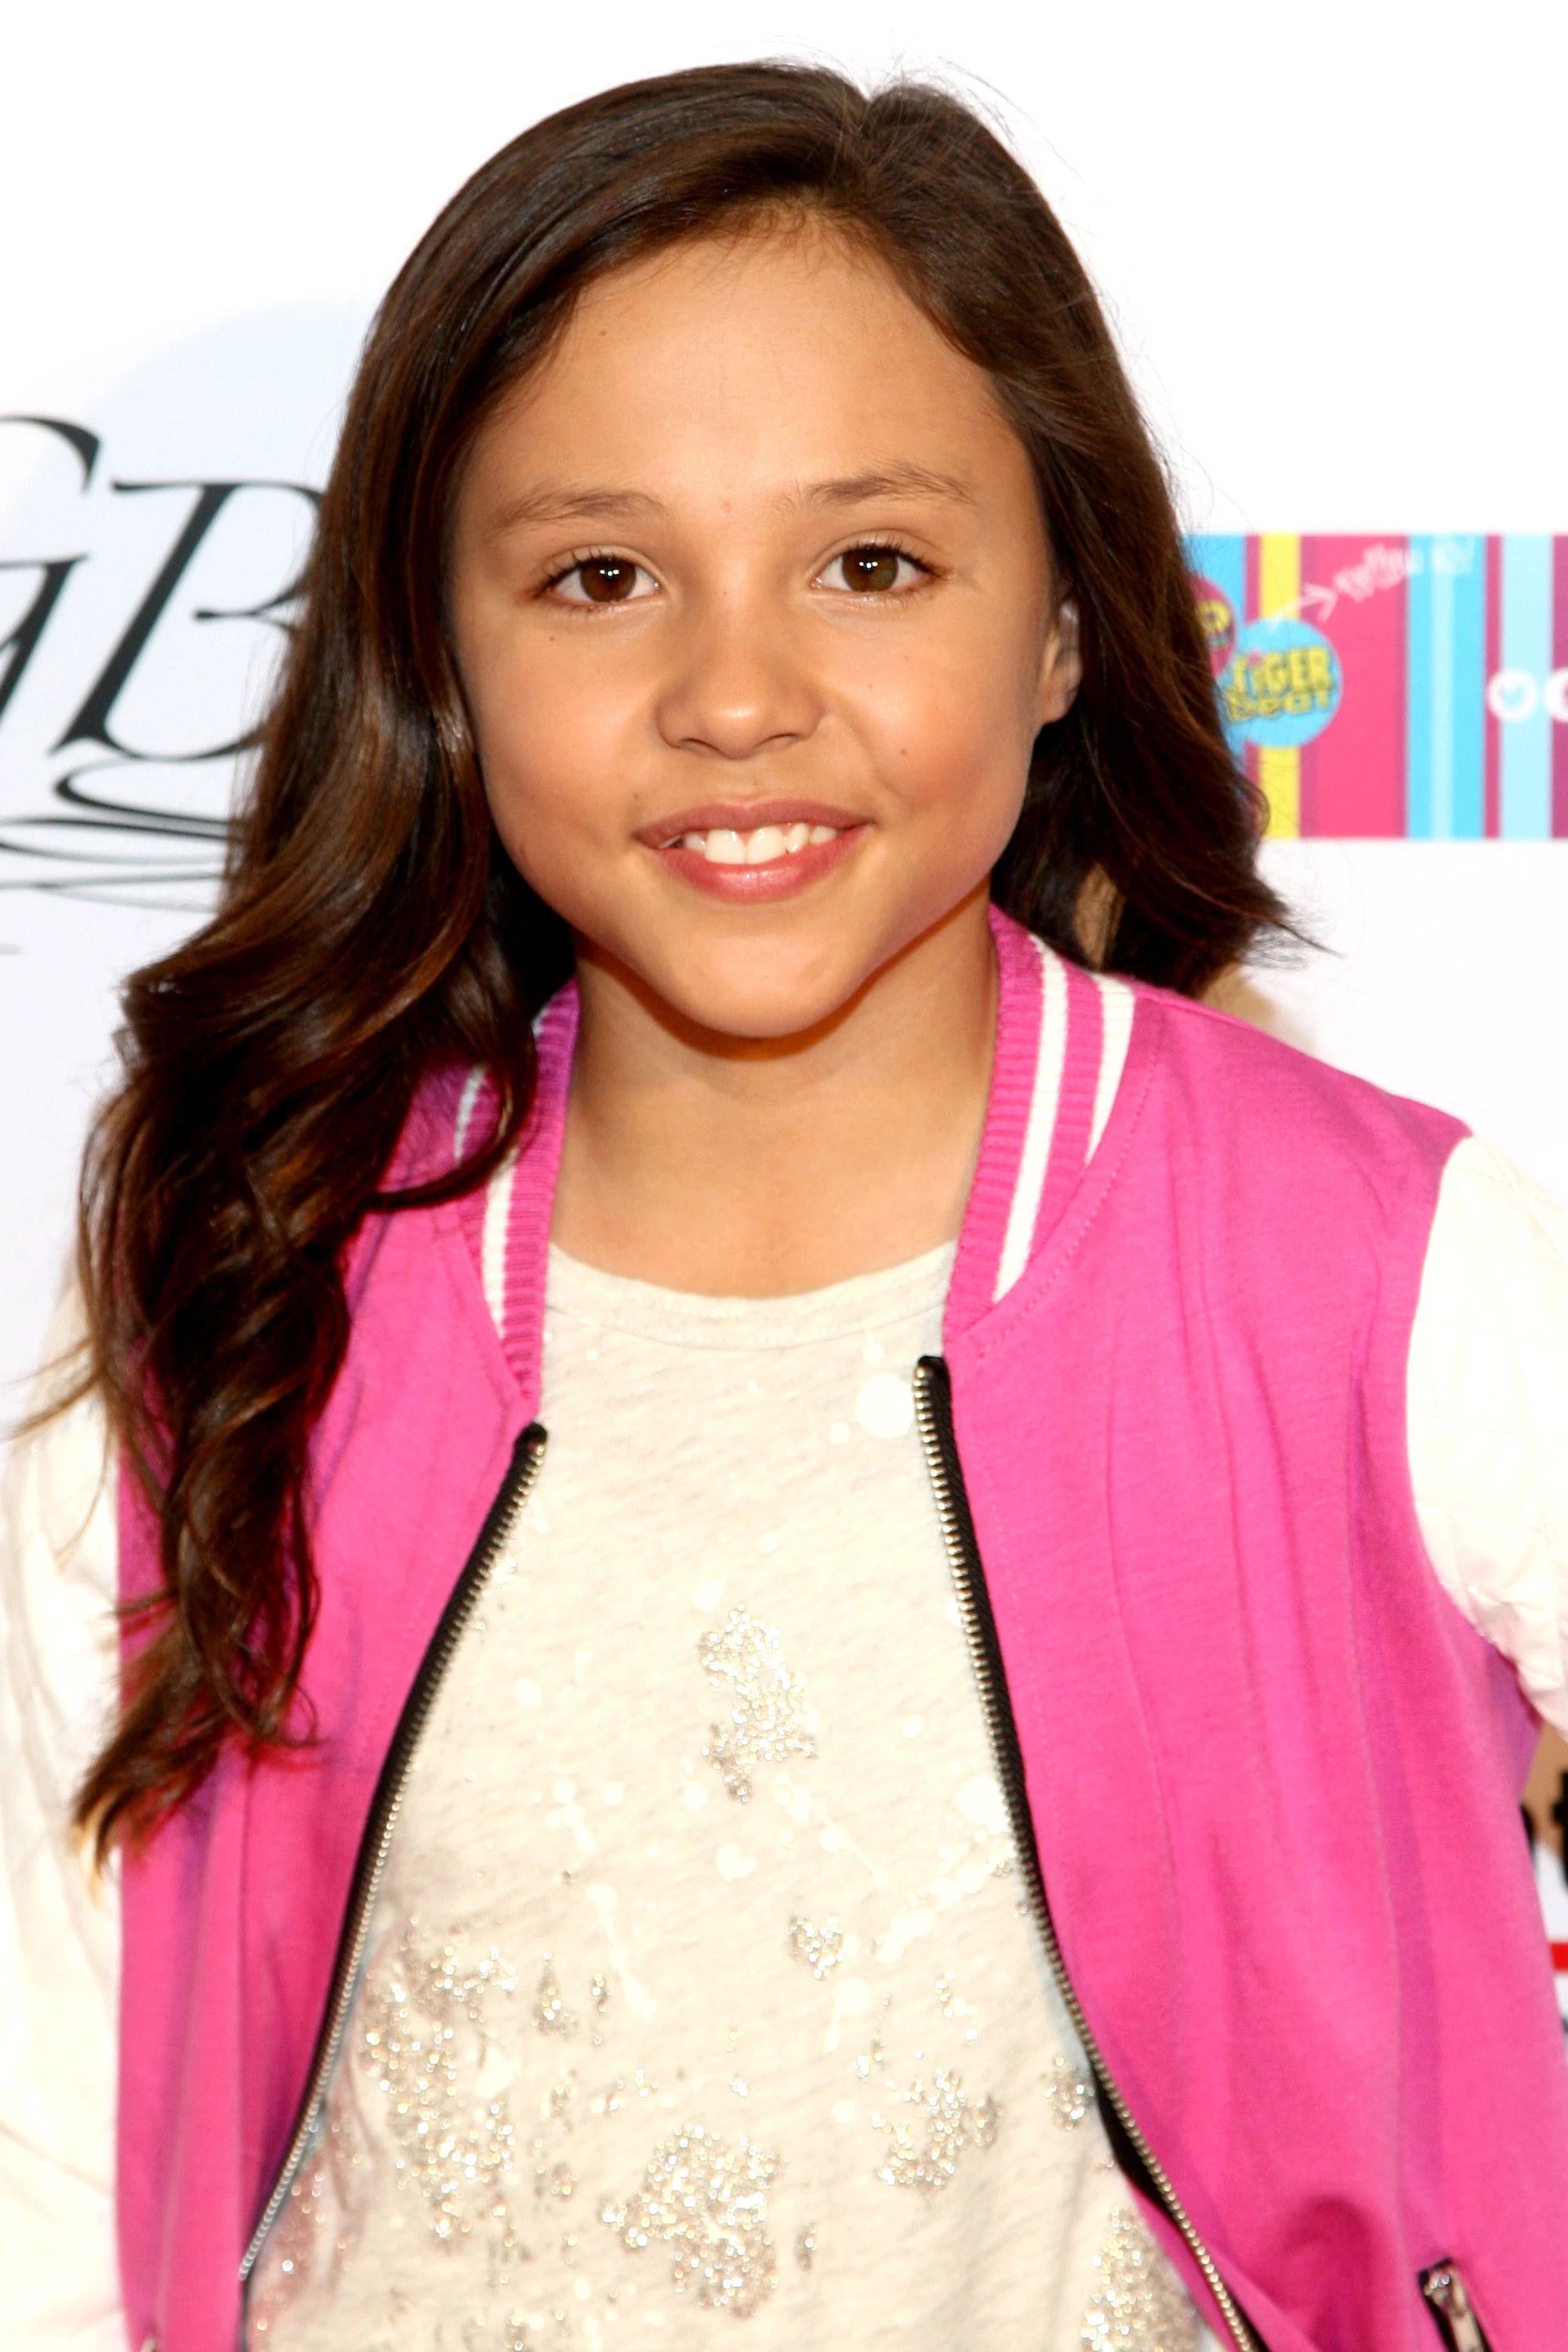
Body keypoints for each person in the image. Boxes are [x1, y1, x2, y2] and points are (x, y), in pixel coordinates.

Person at [2, 60, 1566, 2352]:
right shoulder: (254, 1276)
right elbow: (52, 2151)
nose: (735, 696)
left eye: (872, 565)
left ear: (1065, 628)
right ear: (441, 660)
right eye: (602, 576)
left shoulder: (1377, 1272)